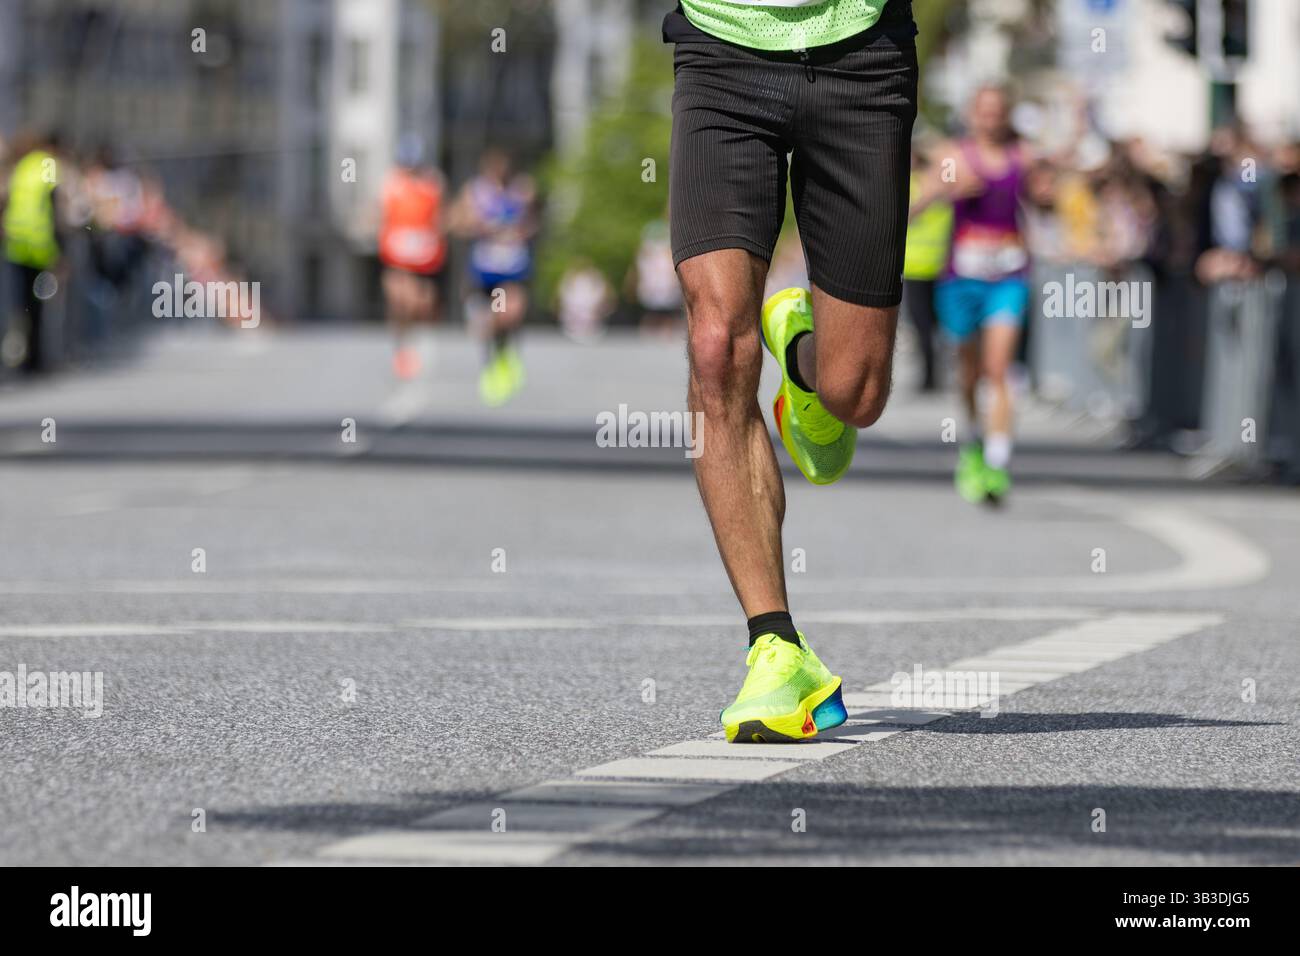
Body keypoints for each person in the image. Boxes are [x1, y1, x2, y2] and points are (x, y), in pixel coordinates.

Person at [663, 0, 918, 742]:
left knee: (857, 391)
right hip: (722, 50)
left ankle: (805, 368)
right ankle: (775, 646)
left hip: (862, 51)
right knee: (716, 346)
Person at [912, 85, 1029, 506]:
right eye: (984, 112)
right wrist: (950, 189)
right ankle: (974, 440)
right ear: (972, 114)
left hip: (1009, 277)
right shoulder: (953, 156)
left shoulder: (1023, 156)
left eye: (998, 112)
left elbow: (1044, 200)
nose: (991, 120)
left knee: (999, 368)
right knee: (969, 374)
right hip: (960, 278)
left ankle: (997, 462)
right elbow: (917, 203)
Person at [447, 148, 536, 406]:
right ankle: (494, 361)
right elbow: (454, 223)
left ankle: (508, 357)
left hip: (513, 266)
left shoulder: (522, 190)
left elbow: (533, 223)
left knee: (512, 313)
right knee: (491, 322)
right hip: (486, 270)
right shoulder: (474, 193)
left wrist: (523, 231)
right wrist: (478, 226)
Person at [378, 134, 446, 380]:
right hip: (397, 257)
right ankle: (401, 348)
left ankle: (415, 341)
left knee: (422, 304)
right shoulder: (391, 184)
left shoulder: (432, 185)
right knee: (401, 301)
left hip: (424, 257)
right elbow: (382, 215)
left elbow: (438, 218)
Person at [2, 130, 63, 374]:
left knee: (20, 303)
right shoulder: (48, 165)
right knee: (38, 305)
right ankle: (35, 359)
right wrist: (60, 247)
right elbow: (54, 201)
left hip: (16, 242)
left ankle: (21, 354)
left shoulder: (21, 167)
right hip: (40, 245)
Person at [902, 144, 953, 391]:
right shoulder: (906, 183)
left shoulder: (935, 184)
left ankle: (936, 374)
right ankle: (929, 374)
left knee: (937, 322)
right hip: (914, 266)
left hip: (939, 264)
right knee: (921, 324)